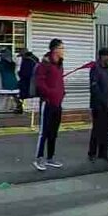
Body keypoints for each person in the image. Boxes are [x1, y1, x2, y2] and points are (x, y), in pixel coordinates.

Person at [33, 38, 66, 172]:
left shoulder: (59, 65)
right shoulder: (44, 65)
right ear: (55, 49)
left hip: (58, 104)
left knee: (54, 132)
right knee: (44, 132)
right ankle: (39, 158)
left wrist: (62, 93)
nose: (64, 51)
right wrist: (50, 93)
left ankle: (50, 158)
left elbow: (59, 82)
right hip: (47, 103)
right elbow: (39, 83)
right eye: (62, 48)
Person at [88, 47, 108, 162]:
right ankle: (92, 153)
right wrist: (103, 101)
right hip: (99, 106)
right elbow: (95, 88)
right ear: (102, 56)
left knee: (106, 131)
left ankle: (103, 153)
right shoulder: (96, 68)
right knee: (97, 130)